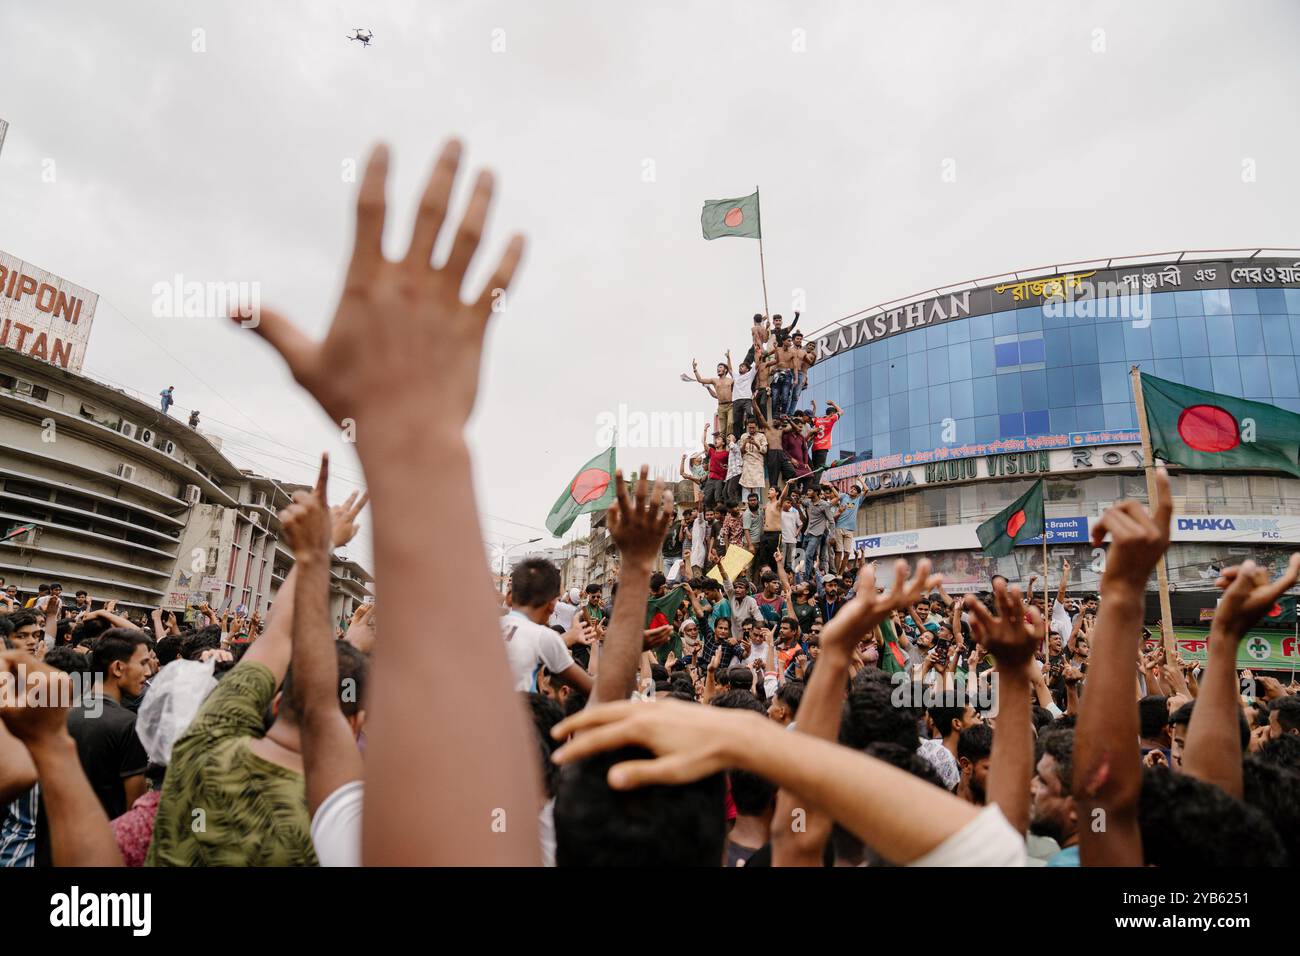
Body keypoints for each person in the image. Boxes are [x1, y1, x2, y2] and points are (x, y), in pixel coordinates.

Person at [502, 559, 593, 696]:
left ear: (510, 597)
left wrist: (571, 635)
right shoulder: (543, 637)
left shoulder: (488, 625)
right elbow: (592, 689)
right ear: (552, 604)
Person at [691, 355, 734, 438]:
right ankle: (723, 446)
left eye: (720, 367)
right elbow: (700, 380)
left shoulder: (731, 380)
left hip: (731, 405)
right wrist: (695, 369)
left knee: (730, 424)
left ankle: (730, 442)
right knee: (722, 429)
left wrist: (728, 358)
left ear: (725, 370)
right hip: (721, 406)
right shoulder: (714, 380)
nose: (718, 369)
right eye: (717, 368)